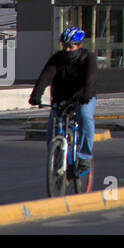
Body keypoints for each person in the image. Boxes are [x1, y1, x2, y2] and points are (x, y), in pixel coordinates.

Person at [28, 27, 97, 178]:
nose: (67, 49)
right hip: (61, 98)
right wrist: (36, 95)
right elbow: (45, 77)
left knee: (85, 117)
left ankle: (85, 157)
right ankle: (58, 162)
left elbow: (90, 79)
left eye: (70, 46)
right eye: (64, 46)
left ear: (79, 45)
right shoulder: (57, 58)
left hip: (82, 97)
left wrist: (86, 95)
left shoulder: (88, 58)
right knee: (51, 131)